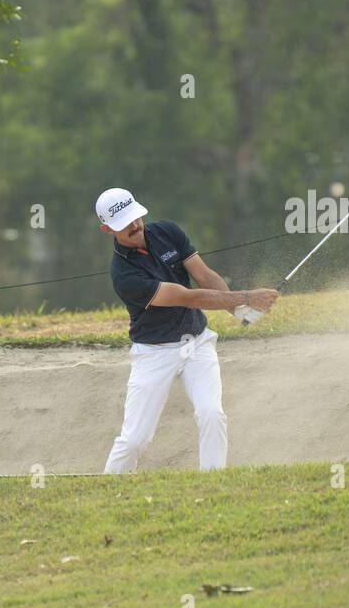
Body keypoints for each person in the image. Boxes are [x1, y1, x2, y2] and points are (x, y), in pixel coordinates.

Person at [95, 187, 278, 473]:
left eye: (135, 218)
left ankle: (213, 482)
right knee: (134, 440)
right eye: (124, 224)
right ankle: (108, 490)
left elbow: (203, 276)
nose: (134, 226)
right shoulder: (124, 274)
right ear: (107, 229)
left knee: (212, 414)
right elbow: (188, 297)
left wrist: (237, 310)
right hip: (154, 354)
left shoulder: (167, 232)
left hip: (197, 342)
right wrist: (246, 297)